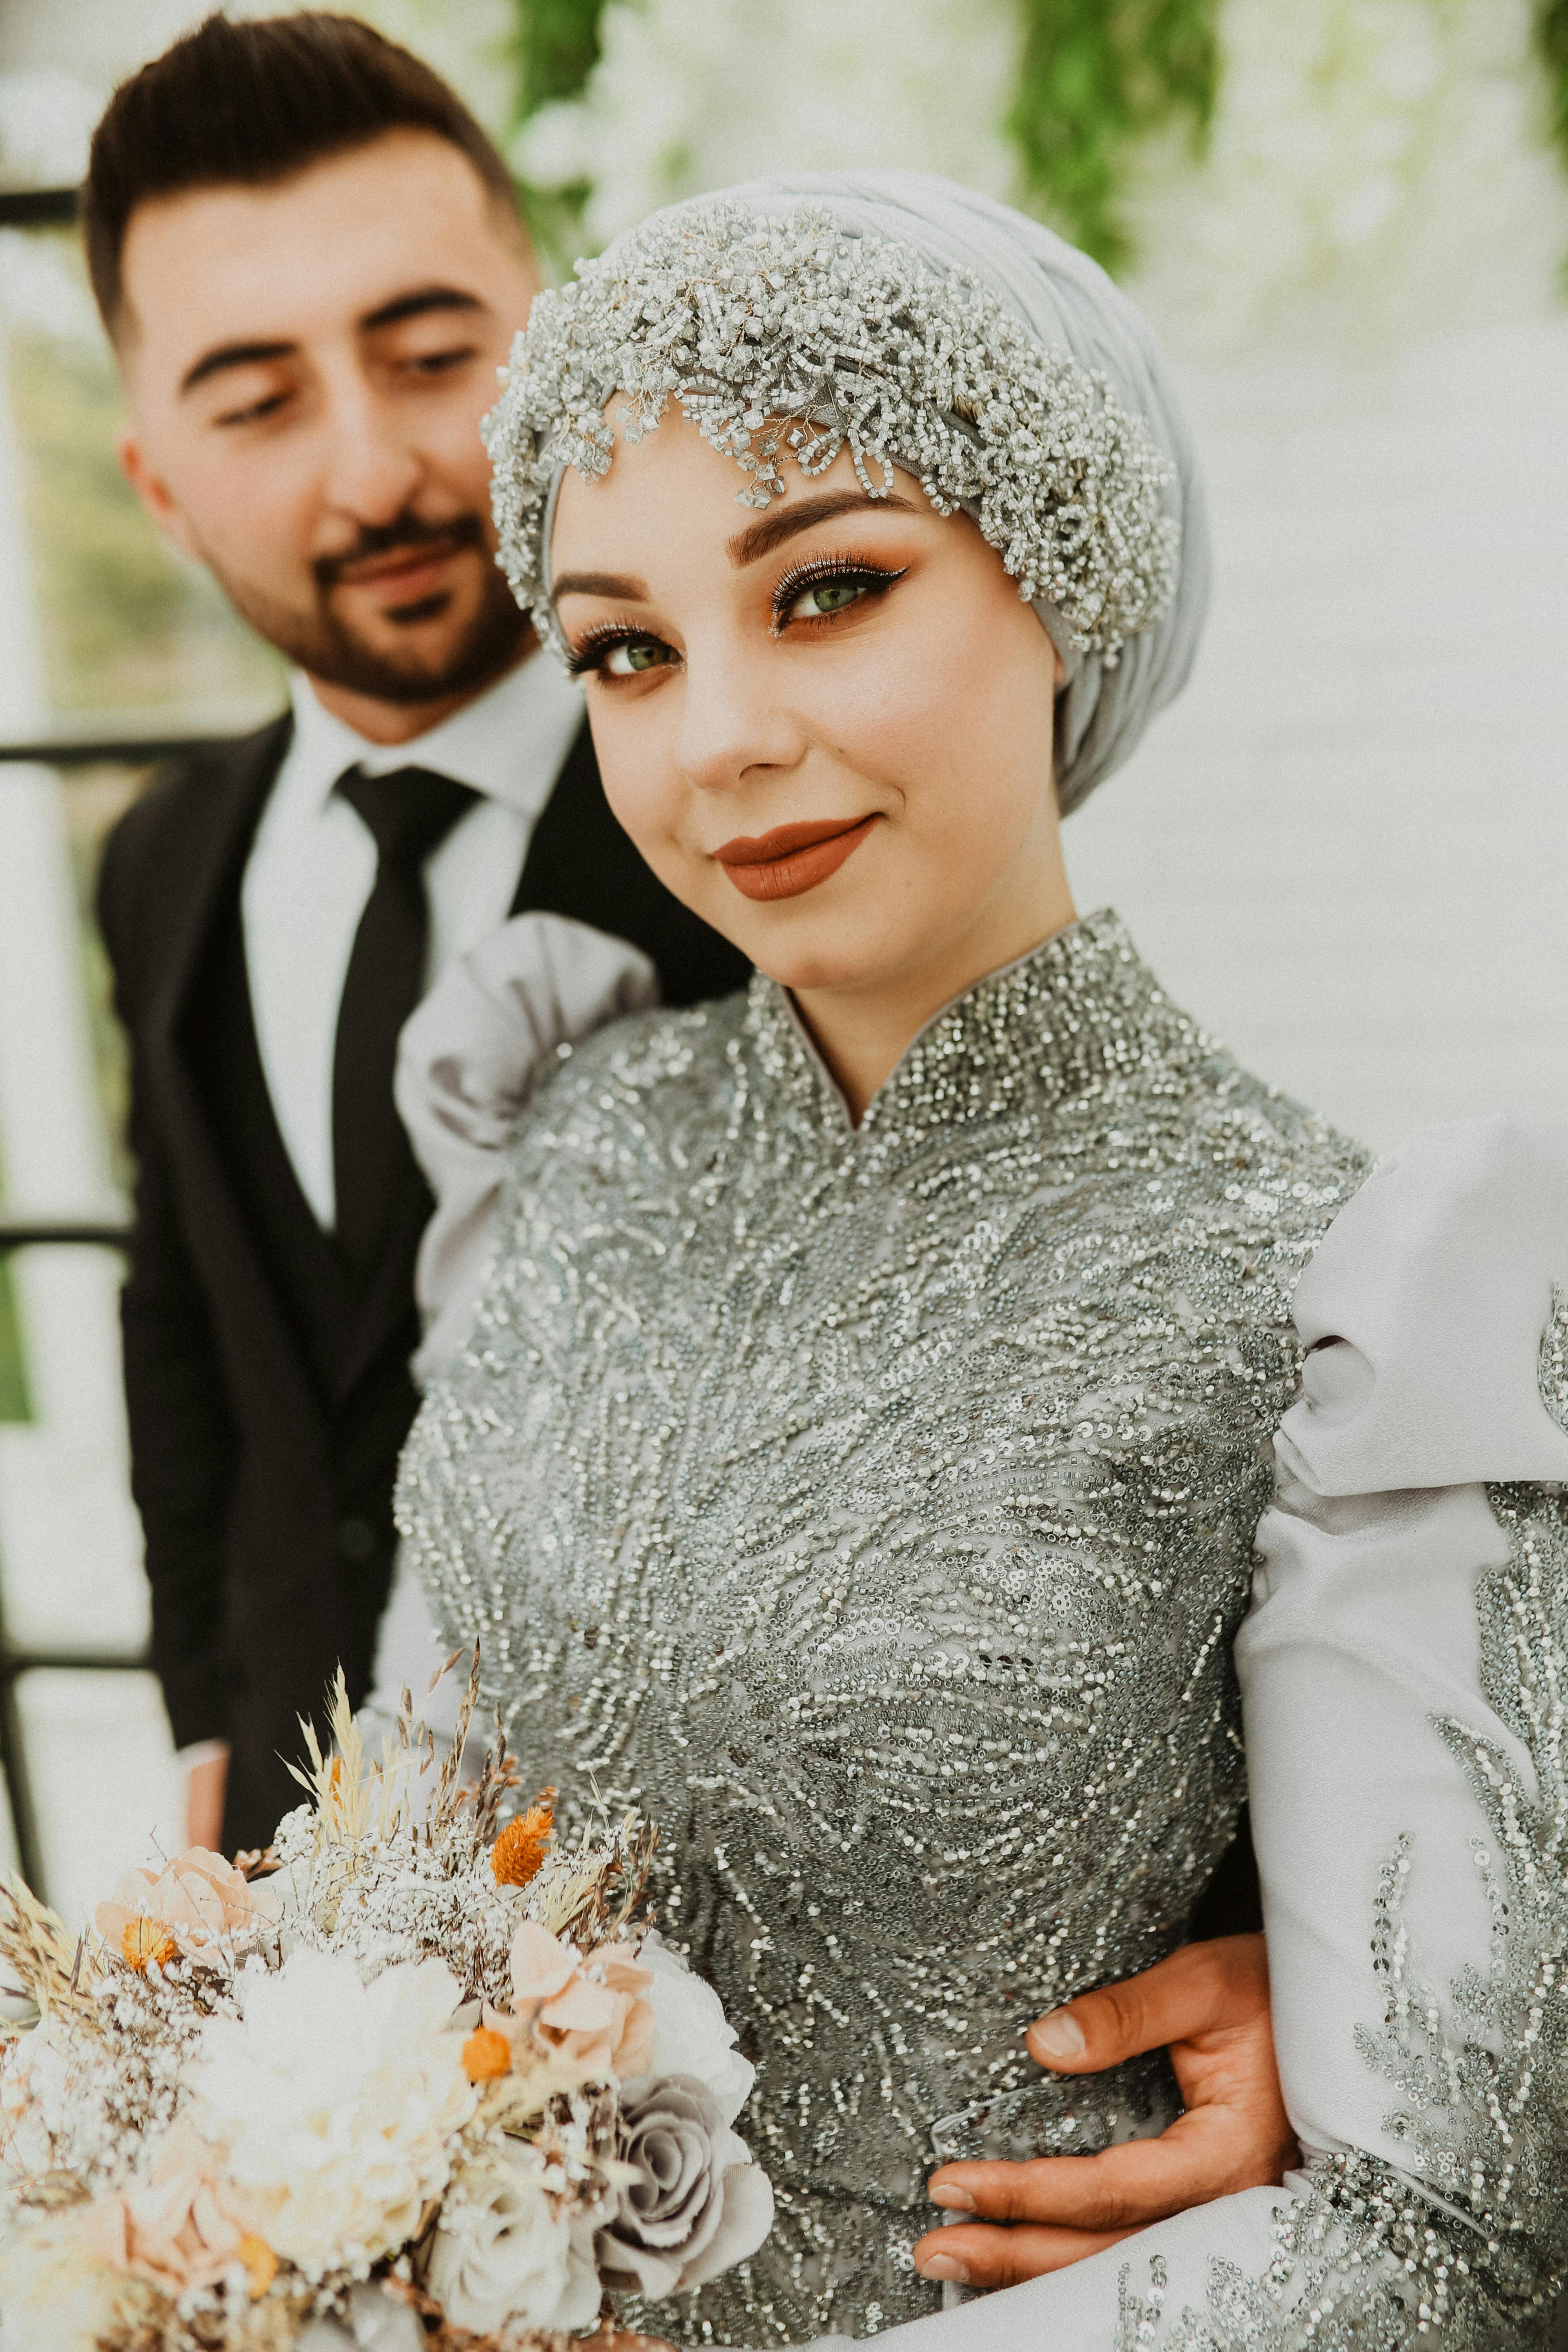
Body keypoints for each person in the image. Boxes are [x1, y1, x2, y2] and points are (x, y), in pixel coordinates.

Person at [387, 169, 1568, 2348]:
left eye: (827, 589)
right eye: (628, 647)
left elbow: (1451, 2248)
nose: (717, 736)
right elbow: (397, 1858)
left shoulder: (1331, 1278)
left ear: (1064, 584)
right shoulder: (561, 1130)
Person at [85, 11, 750, 1861]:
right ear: (156, 474)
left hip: (713, 1909)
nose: (375, 471)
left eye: (432, 353)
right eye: (259, 400)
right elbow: (190, 1326)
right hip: (301, 1904)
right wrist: (208, 1719)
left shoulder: (761, 815)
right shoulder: (161, 864)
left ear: (550, 347)